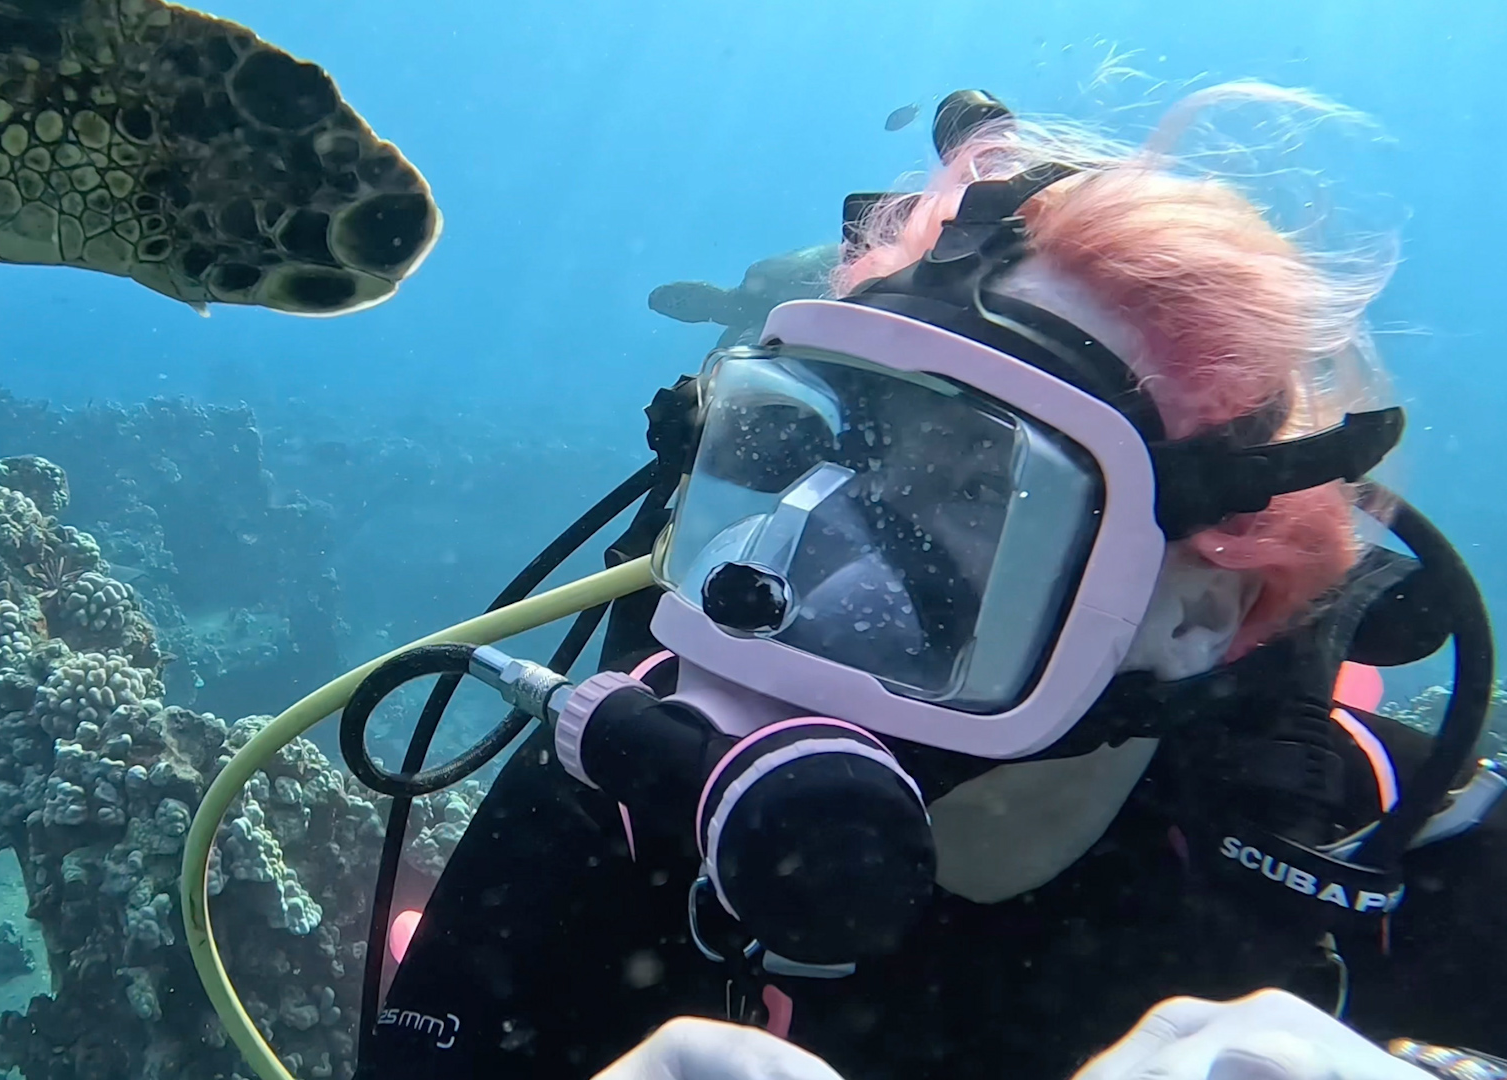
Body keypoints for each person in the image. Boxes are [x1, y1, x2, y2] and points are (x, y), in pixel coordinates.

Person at [353, 86, 1507, 1080]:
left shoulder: (1377, 868)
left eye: (978, 490)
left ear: (1200, 607)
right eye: (835, 447)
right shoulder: (625, 794)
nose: (828, 540)